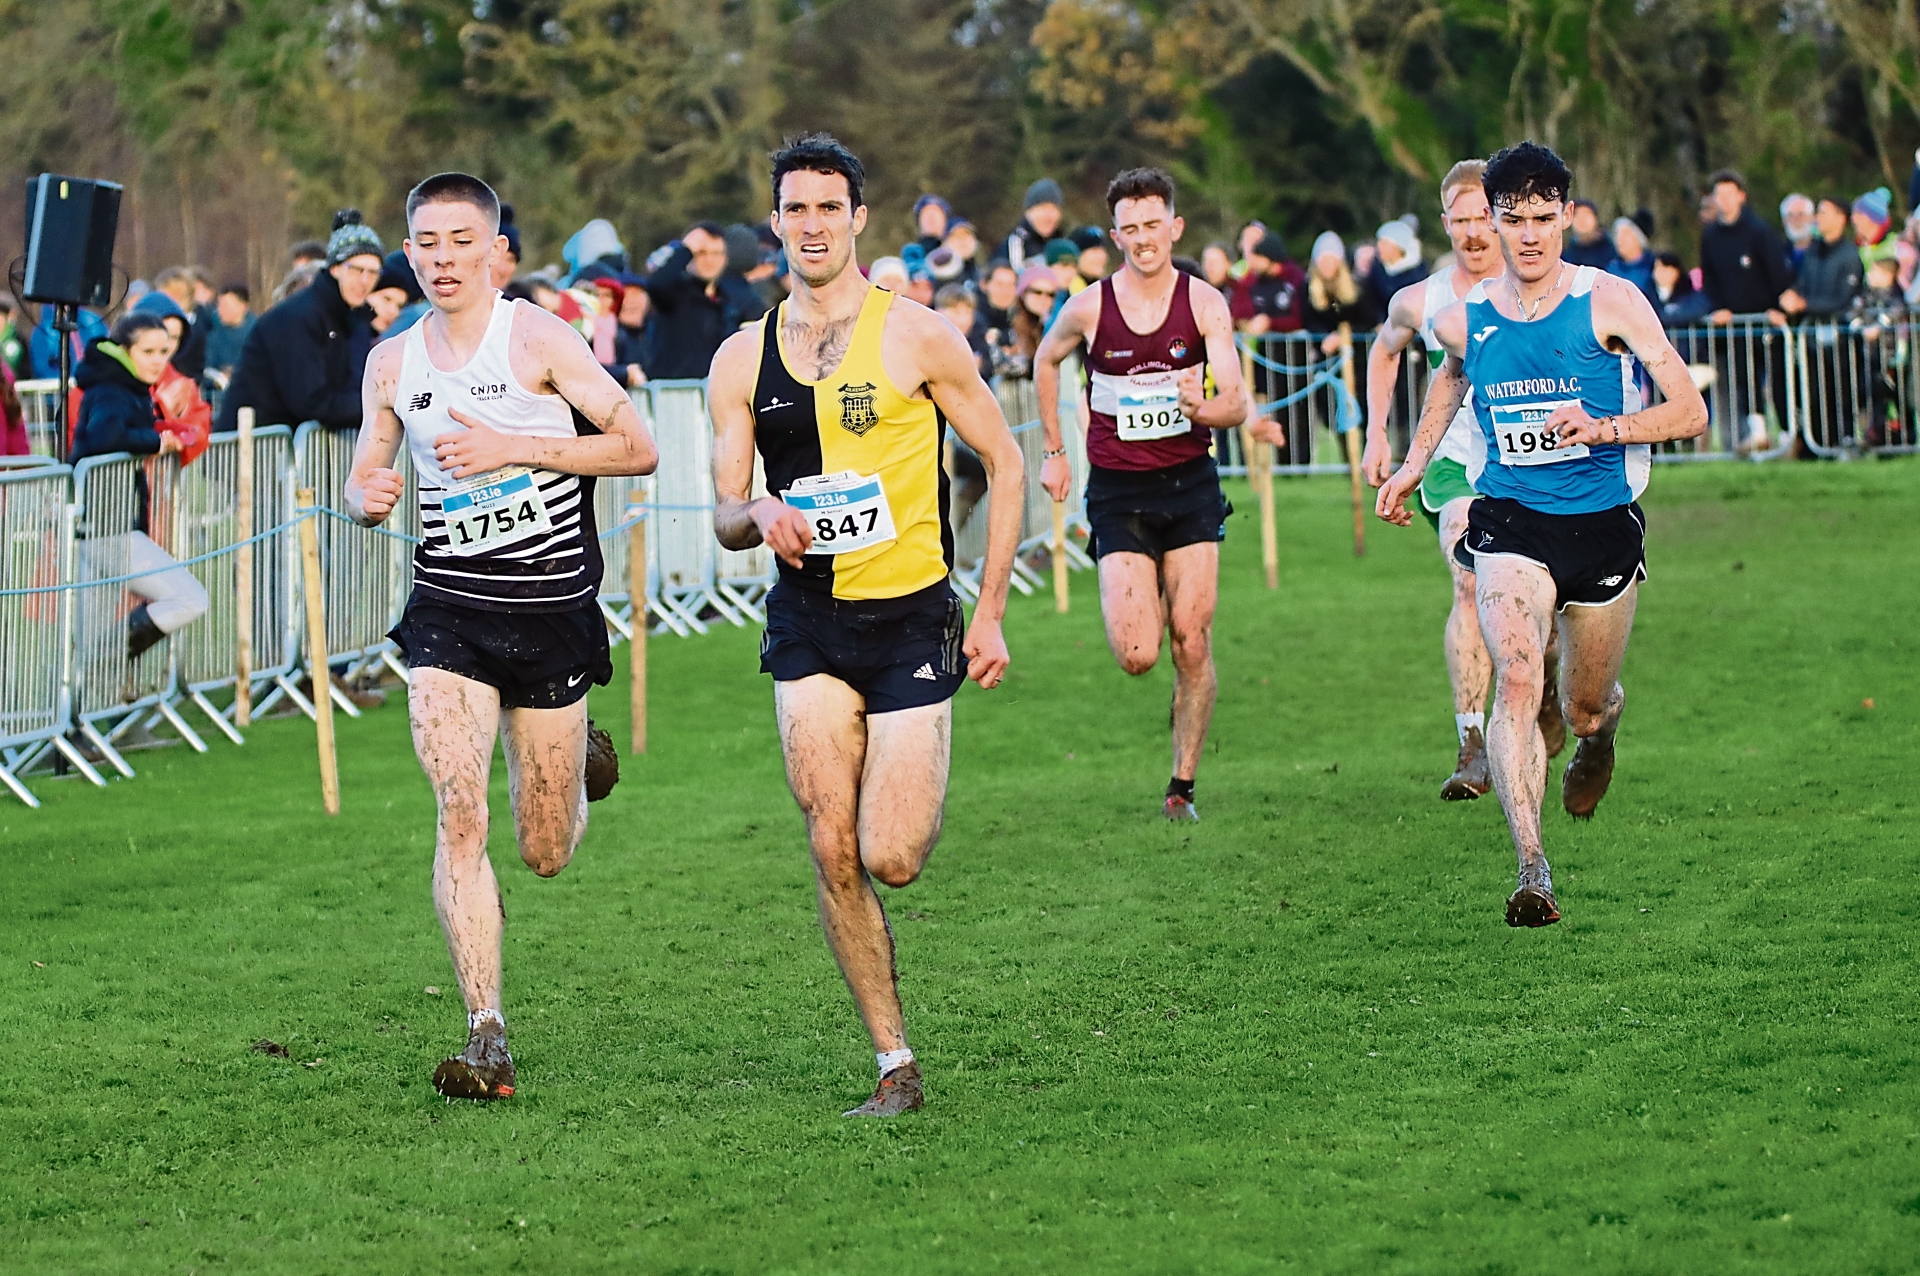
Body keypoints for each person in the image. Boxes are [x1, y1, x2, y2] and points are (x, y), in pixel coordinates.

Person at [706, 133, 1024, 1117]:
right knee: (829, 838)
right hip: (806, 623)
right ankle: (895, 1062)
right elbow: (722, 513)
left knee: (892, 854)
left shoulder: (917, 334)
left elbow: (1005, 464)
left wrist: (995, 609)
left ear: (858, 220)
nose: (811, 225)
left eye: (827, 208)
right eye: (794, 209)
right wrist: (757, 513)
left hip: (912, 619)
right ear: (775, 222)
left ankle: (915, 764)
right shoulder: (738, 357)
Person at [343, 172, 659, 1101]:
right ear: (410, 254)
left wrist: (519, 447)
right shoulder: (393, 364)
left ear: (493, 251)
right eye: (427, 244)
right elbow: (369, 465)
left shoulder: (539, 338)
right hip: (450, 614)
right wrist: (365, 496)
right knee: (459, 808)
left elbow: (635, 445)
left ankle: (582, 757)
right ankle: (487, 1034)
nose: (443, 259)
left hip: (552, 613)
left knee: (544, 848)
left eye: (459, 241)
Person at [1376, 140, 1707, 928]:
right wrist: (1414, 465)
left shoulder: (1611, 302)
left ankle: (1599, 736)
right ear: (1491, 220)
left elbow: (1691, 411)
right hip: (1511, 519)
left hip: (1600, 526)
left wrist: (1606, 428)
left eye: (1542, 219)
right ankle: (1533, 866)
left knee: (1583, 705)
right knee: (1518, 681)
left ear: (1566, 216)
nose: (1527, 235)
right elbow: (1451, 377)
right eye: (1512, 219)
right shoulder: (1465, 317)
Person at [1034, 167, 1249, 821]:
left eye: (1153, 224)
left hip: (1189, 486)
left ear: (1174, 227)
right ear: (1116, 235)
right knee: (1138, 653)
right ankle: (1148, 592)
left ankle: (1181, 787)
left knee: (1192, 638)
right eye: (1129, 228)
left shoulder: (1205, 303)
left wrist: (1204, 409)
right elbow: (1045, 360)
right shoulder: (1090, 306)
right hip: (1119, 492)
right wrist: (1054, 452)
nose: (1143, 238)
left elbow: (1236, 401)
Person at [1361, 159, 1566, 801]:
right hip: (1454, 463)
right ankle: (1472, 741)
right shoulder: (1421, 300)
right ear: (1444, 222)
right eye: (1463, 219)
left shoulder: (1539, 287)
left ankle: (1549, 688)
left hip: (1529, 465)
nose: (1476, 232)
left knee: (1546, 616)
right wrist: (1376, 435)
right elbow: (1384, 348)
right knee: (1469, 578)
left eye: (1486, 217)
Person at [70, 311, 210, 657]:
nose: (159, 361)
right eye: (148, 352)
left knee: (92, 628)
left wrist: (159, 434)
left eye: (164, 352)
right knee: (189, 598)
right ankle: (107, 658)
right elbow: (106, 436)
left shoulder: (124, 384)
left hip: (109, 522)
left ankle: (99, 676)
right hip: (105, 523)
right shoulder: (112, 388)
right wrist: (157, 442)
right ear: (124, 350)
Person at [217, 210, 383, 432]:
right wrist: (378, 406)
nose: (364, 280)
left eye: (373, 273)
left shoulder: (354, 320)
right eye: (356, 269)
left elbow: (350, 386)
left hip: (295, 453)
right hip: (254, 450)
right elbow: (309, 401)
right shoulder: (297, 317)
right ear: (334, 268)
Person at [1699, 170, 1791, 451]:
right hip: (1734, 323)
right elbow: (1710, 278)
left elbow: (1776, 272)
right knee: (1744, 377)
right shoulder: (1710, 237)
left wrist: (1777, 308)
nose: (1724, 201)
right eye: (1719, 195)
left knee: (1777, 377)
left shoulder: (1759, 231)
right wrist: (1718, 308)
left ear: (1741, 196)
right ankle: (1757, 432)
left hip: (1765, 319)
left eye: (1729, 194)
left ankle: (1788, 433)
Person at [642, 221, 759, 379]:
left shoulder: (729, 304)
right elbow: (656, 285)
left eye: (716, 253)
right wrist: (686, 249)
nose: (710, 260)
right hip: (674, 396)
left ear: (725, 258)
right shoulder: (675, 295)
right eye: (702, 253)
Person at [1231, 231, 1305, 335]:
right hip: (1264, 347)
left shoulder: (1296, 280)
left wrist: (1270, 323)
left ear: (1270, 258)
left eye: (1258, 258)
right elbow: (1241, 311)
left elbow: (1300, 319)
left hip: (1293, 346)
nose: (1253, 263)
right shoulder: (1253, 280)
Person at [1363, 219, 1428, 316]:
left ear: (1399, 246)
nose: (1379, 247)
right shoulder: (1376, 269)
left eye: (1385, 244)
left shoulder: (1418, 273)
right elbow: (1372, 301)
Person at [1004, 178, 1064, 271]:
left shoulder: (1061, 242)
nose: (1048, 216)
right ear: (1028, 212)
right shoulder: (1016, 242)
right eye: (1043, 208)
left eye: (1054, 209)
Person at [203, 285, 254, 391]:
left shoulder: (258, 332)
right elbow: (205, 370)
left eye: (225, 306)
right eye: (219, 305)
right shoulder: (213, 335)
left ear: (242, 306)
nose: (220, 310)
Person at [1650, 252, 1712, 328]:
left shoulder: (1691, 294)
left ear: (1676, 271)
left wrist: (1662, 317)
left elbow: (1698, 309)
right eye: (1657, 268)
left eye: (1665, 269)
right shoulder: (1648, 293)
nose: (1660, 273)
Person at [1606, 217, 1654, 299]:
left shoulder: (1654, 266)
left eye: (1626, 234)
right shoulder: (1611, 270)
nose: (1620, 239)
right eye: (1618, 234)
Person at [1852, 187, 1897, 272]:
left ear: (1874, 219)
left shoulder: (1895, 245)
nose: (1854, 219)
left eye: (1859, 214)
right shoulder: (1857, 248)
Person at [1562, 199, 1614, 268]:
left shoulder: (1614, 249)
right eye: (1576, 215)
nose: (1582, 219)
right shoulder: (1566, 254)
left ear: (1596, 219)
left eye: (1586, 214)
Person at [1780, 194, 1817, 272]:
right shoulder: (1777, 253)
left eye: (1801, 214)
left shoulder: (1826, 252)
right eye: (1790, 215)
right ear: (1784, 222)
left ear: (1813, 218)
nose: (1796, 220)